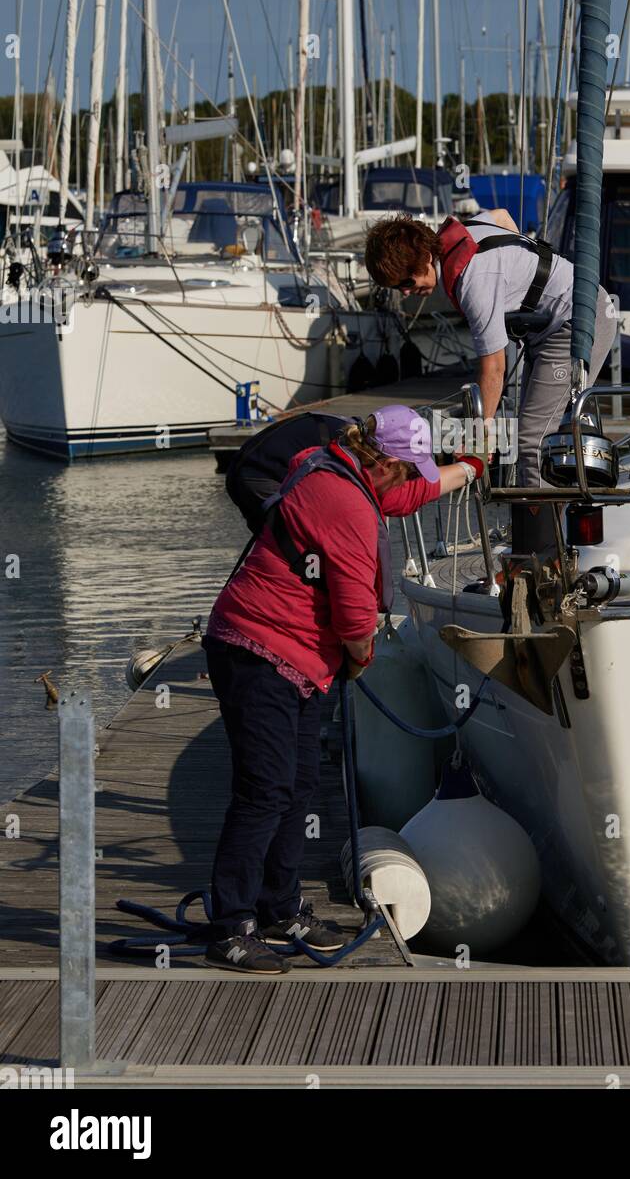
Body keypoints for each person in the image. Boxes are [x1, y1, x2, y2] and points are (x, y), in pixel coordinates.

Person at [203, 406, 481, 973]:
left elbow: (402, 497)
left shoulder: (337, 468)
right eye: (407, 470)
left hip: (296, 656)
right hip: (259, 649)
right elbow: (356, 618)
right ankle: (231, 927)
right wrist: (361, 659)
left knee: (299, 782)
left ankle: (280, 907)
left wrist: (469, 468)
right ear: (383, 462)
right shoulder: (345, 502)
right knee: (265, 789)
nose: (409, 481)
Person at [364, 210, 616, 486]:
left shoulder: (473, 281)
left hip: (580, 319)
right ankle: (549, 516)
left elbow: (494, 367)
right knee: (538, 430)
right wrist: (518, 273)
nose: (406, 292)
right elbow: (502, 217)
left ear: (424, 257)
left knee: (532, 440)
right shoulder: (464, 232)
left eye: (406, 282)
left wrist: (477, 435)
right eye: (398, 288)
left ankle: (539, 526)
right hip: (554, 325)